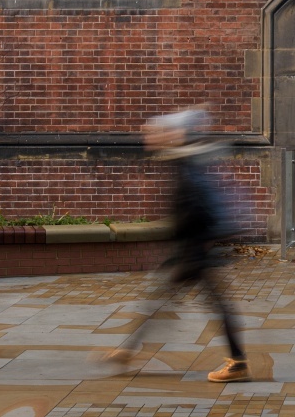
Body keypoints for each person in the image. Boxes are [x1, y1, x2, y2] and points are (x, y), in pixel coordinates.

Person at [102, 108, 250, 383]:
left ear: (177, 134)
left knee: (192, 303)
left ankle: (238, 363)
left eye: (158, 132)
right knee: (163, 301)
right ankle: (127, 350)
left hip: (193, 251)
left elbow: (196, 209)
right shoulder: (184, 160)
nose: (151, 138)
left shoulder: (188, 163)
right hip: (190, 249)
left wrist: (187, 238)